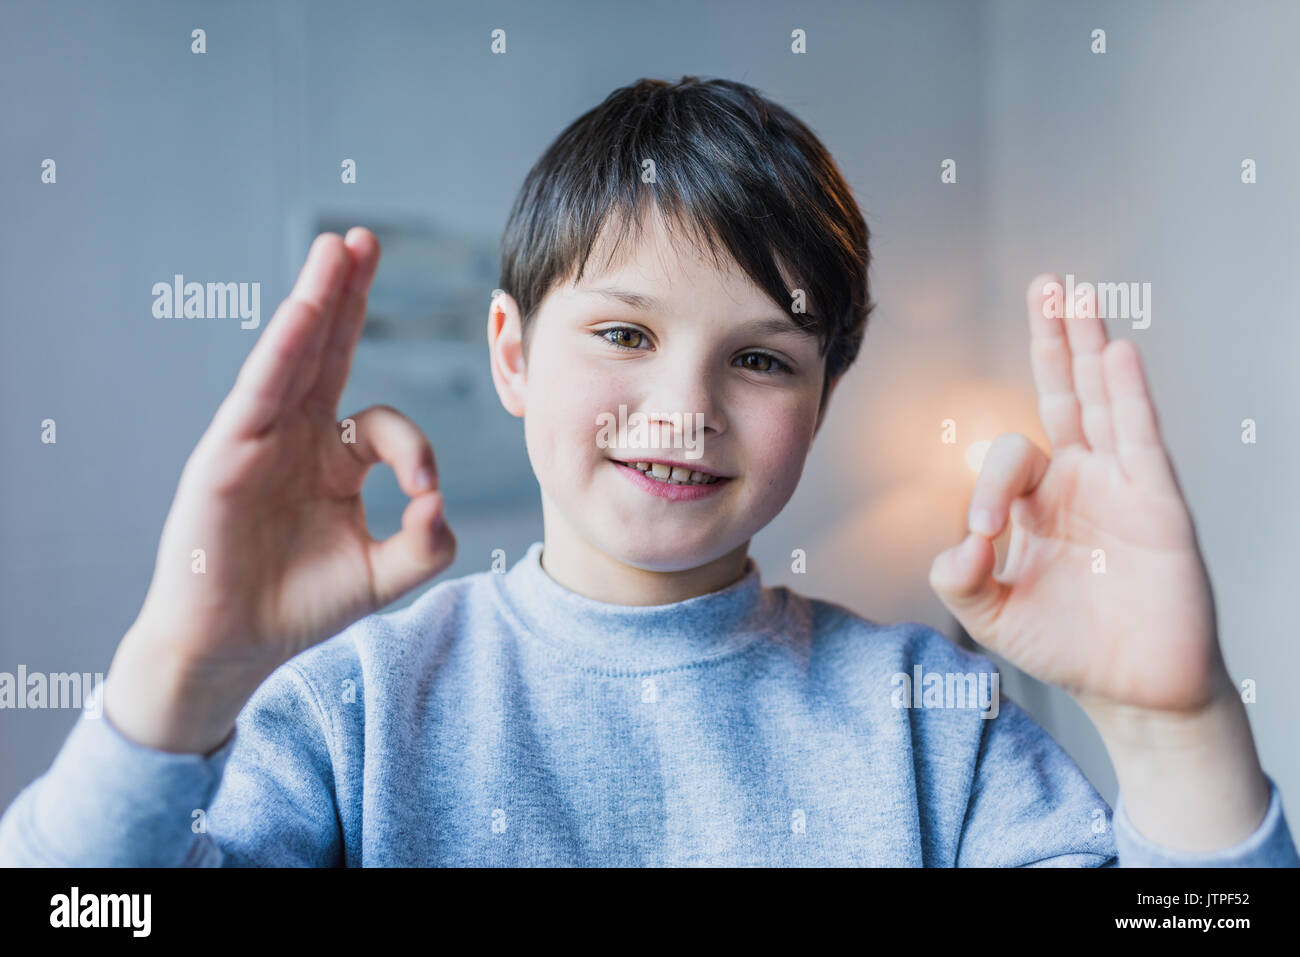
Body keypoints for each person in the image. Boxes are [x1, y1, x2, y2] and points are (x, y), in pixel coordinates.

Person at [1, 77, 1295, 866]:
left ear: (825, 395)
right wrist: (174, 681)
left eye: (763, 359)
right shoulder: (348, 714)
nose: (683, 407)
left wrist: (1177, 732)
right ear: (510, 353)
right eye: (625, 333)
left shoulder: (931, 717)